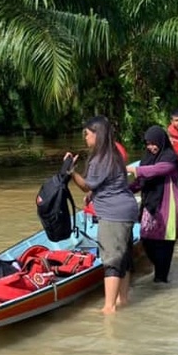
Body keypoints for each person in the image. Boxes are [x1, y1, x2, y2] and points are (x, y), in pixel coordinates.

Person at [67, 116, 139, 313]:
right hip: (127, 209)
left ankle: (109, 308)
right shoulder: (114, 154)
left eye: (87, 134)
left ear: (96, 134)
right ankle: (122, 300)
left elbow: (85, 185)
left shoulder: (99, 159)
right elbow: (110, 182)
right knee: (123, 257)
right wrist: (92, 195)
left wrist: (71, 171)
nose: (86, 138)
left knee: (111, 259)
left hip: (113, 213)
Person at [126, 126, 178, 283]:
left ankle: (161, 277)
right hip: (150, 204)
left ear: (161, 141)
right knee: (147, 240)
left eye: (153, 143)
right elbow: (139, 182)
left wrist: (132, 169)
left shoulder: (169, 157)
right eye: (148, 143)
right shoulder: (147, 158)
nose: (151, 147)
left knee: (165, 241)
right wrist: (125, 190)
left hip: (167, 204)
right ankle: (160, 269)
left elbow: (156, 170)